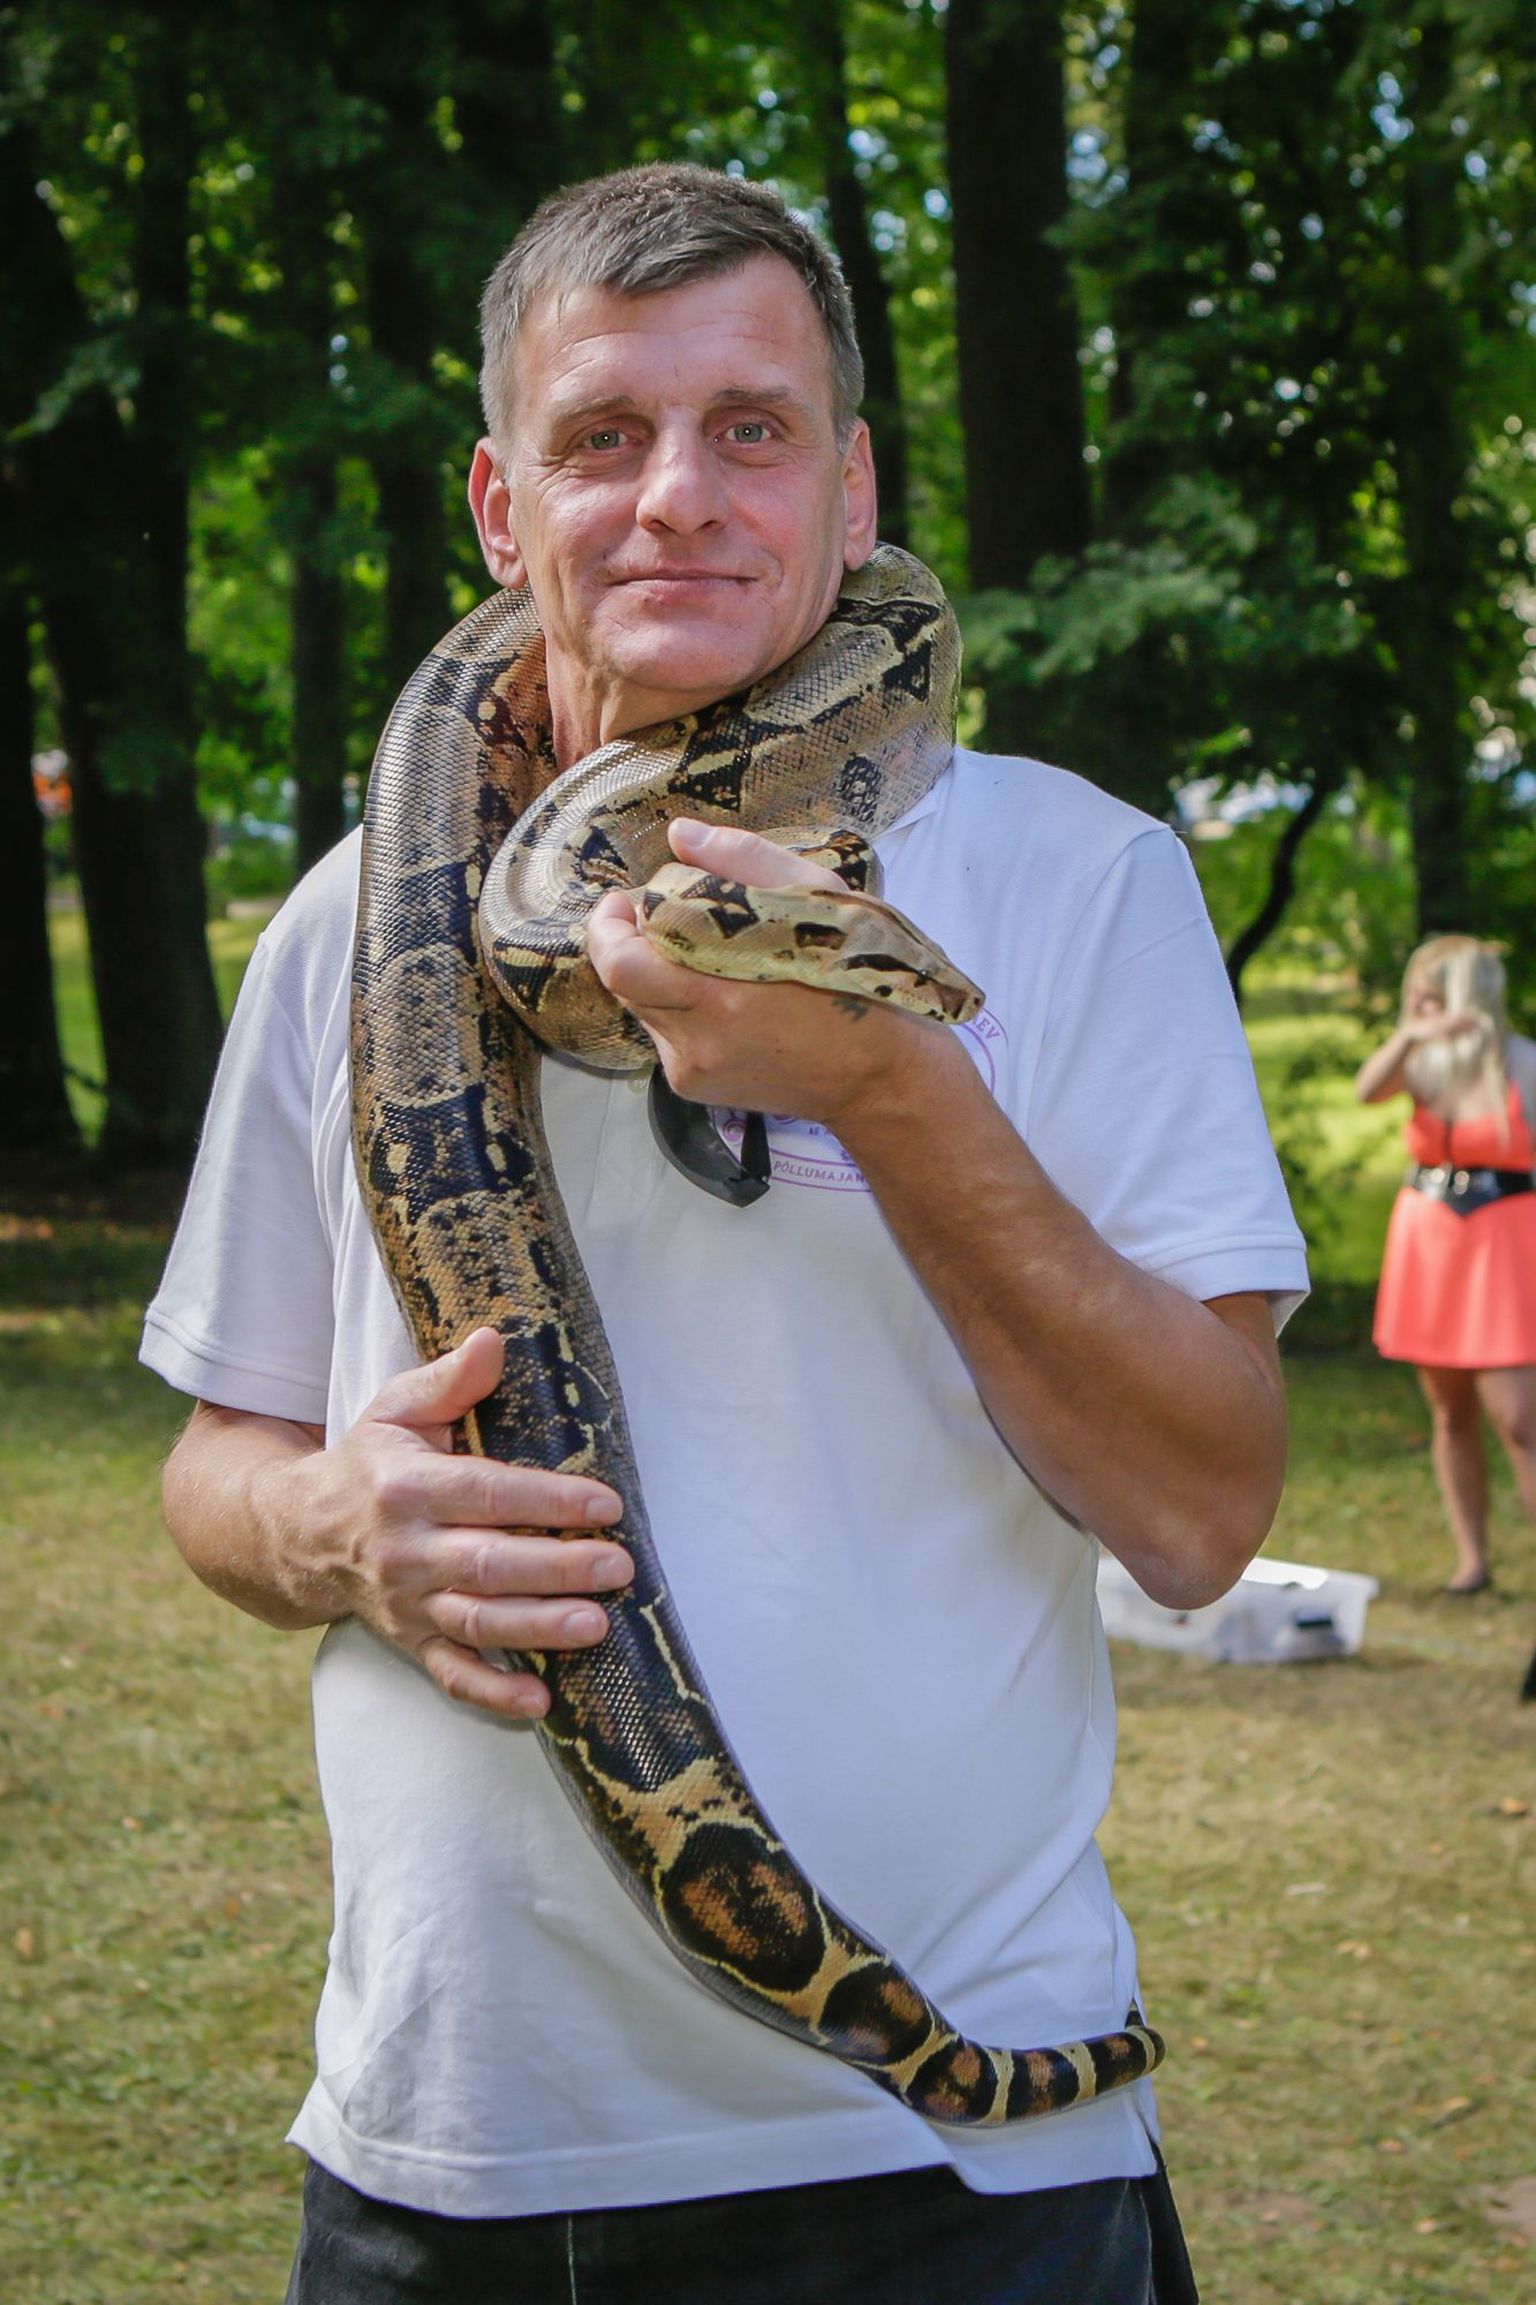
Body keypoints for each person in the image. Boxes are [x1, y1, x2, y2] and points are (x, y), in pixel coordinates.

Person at [142, 164, 1307, 2304]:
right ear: (503, 512)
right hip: (450, 2150)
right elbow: (214, 1463)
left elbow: (1202, 1512)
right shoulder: (344, 929)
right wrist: (332, 1524)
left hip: (962, 2206)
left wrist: (881, 1077)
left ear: (855, 494)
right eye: (604, 437)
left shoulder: (1076, 880)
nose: (677, 496)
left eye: (751, 428)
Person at [1355, 935, 1536, 1607]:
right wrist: (1410, 1033)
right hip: (1432, 1238)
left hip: (1507, 1241)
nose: (1422, 1008)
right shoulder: (1421, 1065)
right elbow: (1367, 1090)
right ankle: (1473, 1560)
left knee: (1519, 1418)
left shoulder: (1523, 1065)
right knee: (1449, 1408)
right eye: (1415, 998)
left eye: (1434, 997)